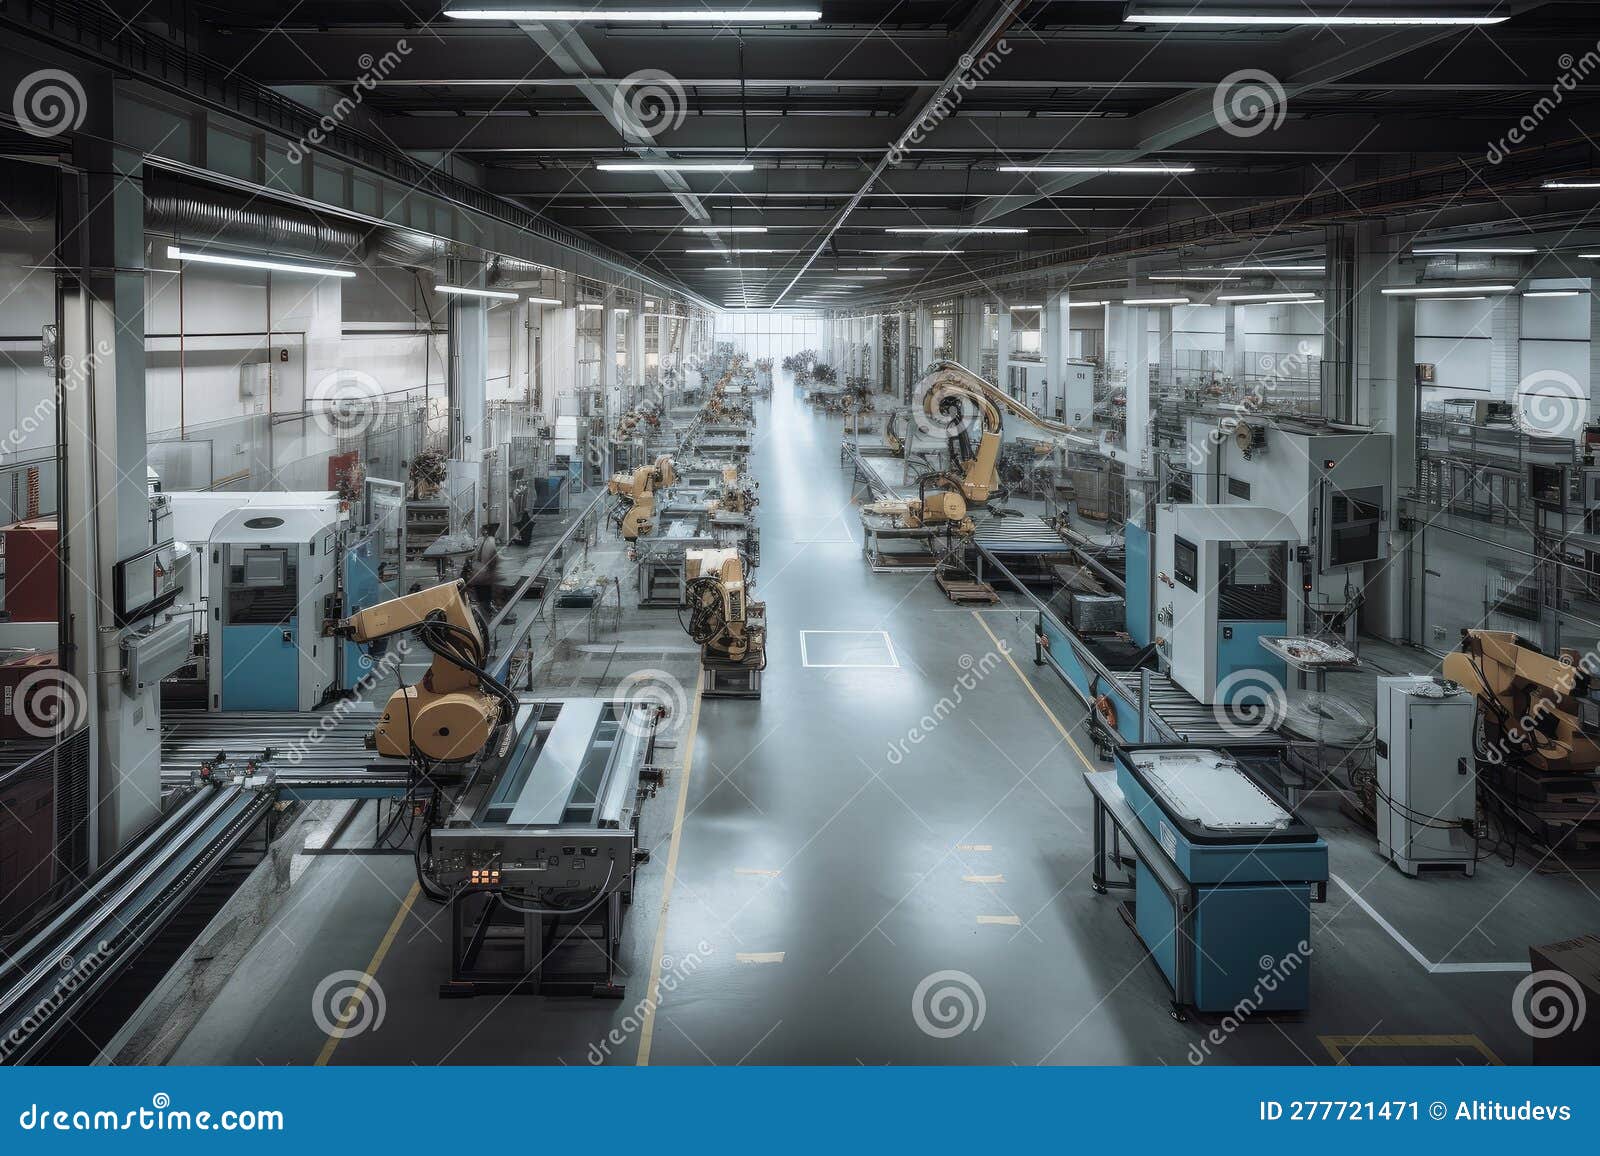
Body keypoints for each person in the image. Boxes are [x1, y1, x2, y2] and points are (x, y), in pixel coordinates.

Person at [464, 523, 501, 620]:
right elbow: (493, 561)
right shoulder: (491, 542)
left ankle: (482, 616)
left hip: (476, 576)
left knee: (481, 600)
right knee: (485, 601)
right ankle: (486, 620)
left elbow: (470, 556)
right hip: (484, 578)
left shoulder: (479, 540)